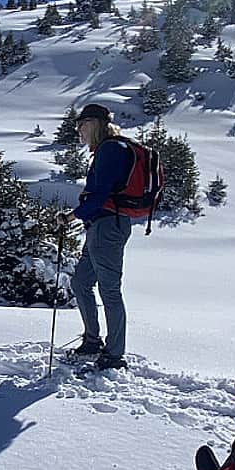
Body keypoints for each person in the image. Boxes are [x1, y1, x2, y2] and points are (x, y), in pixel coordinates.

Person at [55, 103, 138, 371]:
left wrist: (71, 216)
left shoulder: (111, 149)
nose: (78, 130)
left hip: (107, 227)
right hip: (100, 227)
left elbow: (100, 193)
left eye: (81, 124)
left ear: (94, 123)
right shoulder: (108, 149)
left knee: (110, 291)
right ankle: (92, 341)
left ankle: (114, 356)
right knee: (81, 283)